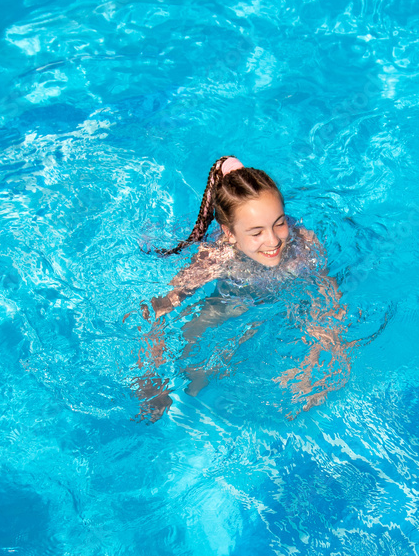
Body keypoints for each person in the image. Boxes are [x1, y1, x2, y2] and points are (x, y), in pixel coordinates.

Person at [129, 155, 352, 423]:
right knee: (195, 350)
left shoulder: (303, 245)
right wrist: (150, 376)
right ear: (230, 234)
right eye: (256, 232)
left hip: (282, 300)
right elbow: (156, 310)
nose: (273, 240)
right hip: (231, 299)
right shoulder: (215, 258)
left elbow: (329, 303)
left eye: (280, 223)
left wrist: (318, 365)